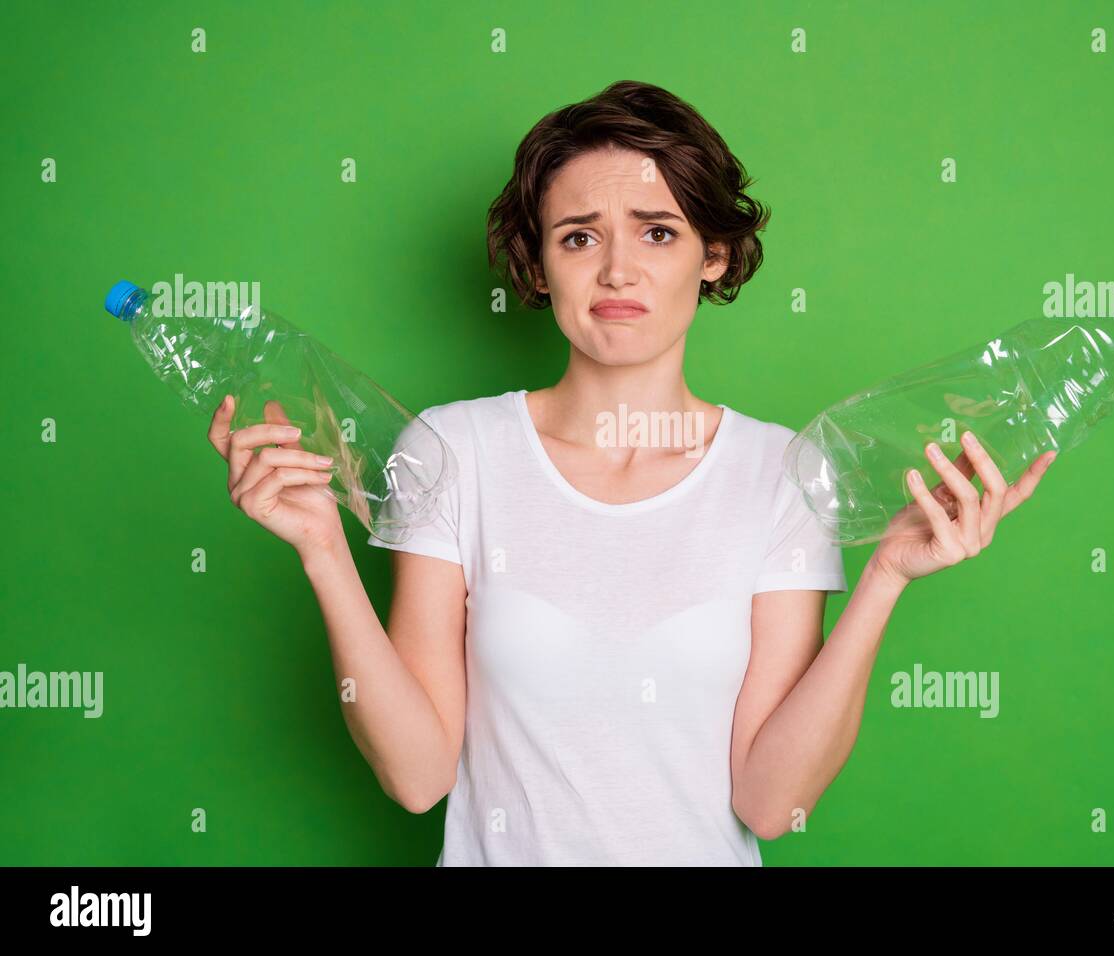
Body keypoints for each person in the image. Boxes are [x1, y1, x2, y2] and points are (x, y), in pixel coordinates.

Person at [206, 80, 1055, 866]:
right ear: (539, 267)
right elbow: (418, 776)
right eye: (580, 237)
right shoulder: (453, 450)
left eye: (658, 231)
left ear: (714, 254)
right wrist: (323, 549)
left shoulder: (782, 472)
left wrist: (885, 581)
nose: (618, 269)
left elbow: (770, 804)